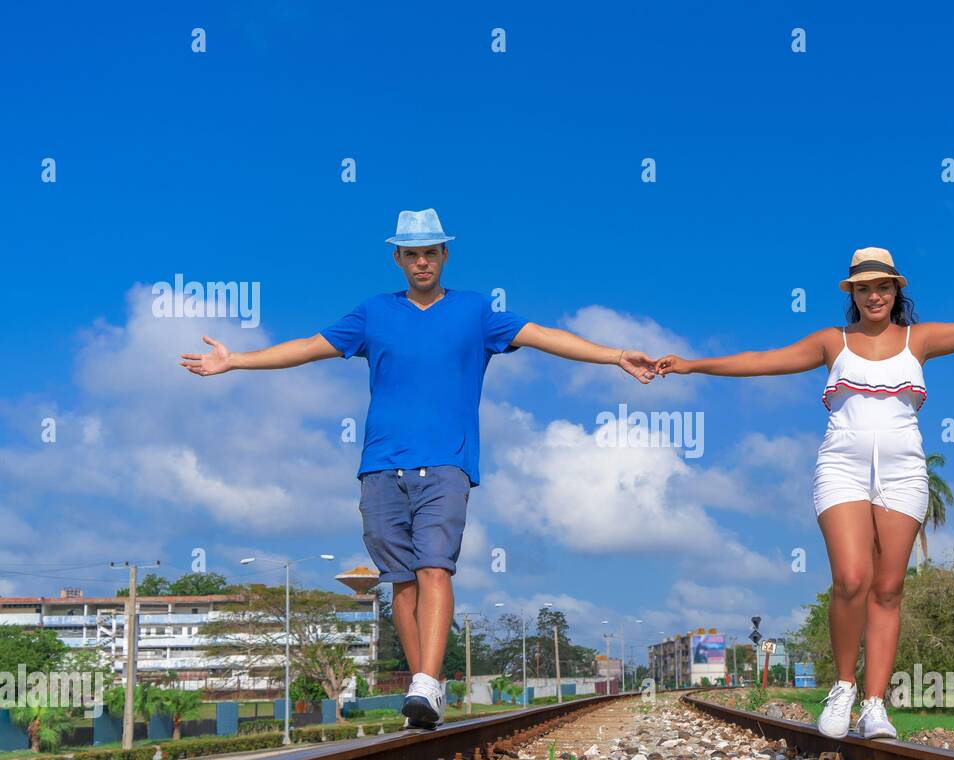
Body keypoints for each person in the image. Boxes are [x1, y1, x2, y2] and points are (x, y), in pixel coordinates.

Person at [181, 208, 657, 729]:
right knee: (401, 582)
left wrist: (614, 355)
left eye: (431, 251)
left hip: (447, 466)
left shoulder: (476, 312)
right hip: (381, 468)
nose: (423, 261)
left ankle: (428, 684)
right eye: (412, 253)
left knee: (435, 567)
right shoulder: (373, 314)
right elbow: (308, 348)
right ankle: (422, 689)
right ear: (399, 259)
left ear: (445, 255)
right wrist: (236, 360)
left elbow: (545, 335)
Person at [654, 247, 954, 739]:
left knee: (888, 589)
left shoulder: (919, 340)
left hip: (905, 473)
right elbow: (763, 361)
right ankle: (843, 688)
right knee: (850, 578)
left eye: (882, 286)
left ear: (895, 291)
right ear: (853, 294)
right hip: (841, 468)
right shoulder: (832, 342)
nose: (874, 295)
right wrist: (691, 365)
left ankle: (874, 705)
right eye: (864, 287)